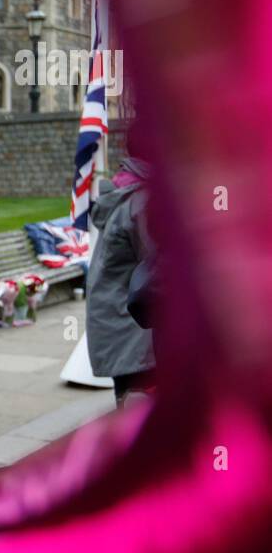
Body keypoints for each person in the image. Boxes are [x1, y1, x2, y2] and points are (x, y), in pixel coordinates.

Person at [86, 150, 154, 408]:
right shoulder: (142, 201)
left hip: (117, 321)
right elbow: (159, 268)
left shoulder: (125, 192)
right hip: (132, 328)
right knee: (140, 414)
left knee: (130, 404)